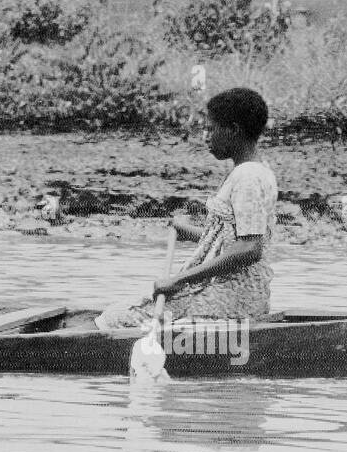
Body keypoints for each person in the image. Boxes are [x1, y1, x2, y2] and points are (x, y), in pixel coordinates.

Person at [94, 87, 277, 332]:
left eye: (212, 129)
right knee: (125, 311)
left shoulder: (248, 177)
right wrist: (186, 231)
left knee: (115, 319)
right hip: (236, 294)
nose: (206, 136)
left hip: (232, 300)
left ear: (233, 130)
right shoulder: (257, 170)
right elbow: (228, 240)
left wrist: (178, 280)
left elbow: (249, 248)